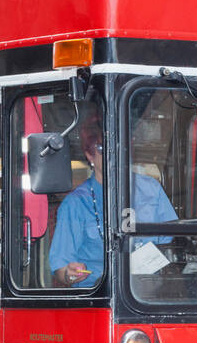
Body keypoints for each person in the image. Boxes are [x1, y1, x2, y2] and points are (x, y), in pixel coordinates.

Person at [50, 116, 176, 288]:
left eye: (118, 146)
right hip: (98, 296)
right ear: (89, 155)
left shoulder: (152, 190)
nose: (112, 153)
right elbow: (61, 269)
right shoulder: (75, 204)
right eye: (102, 148)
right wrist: (70, 275)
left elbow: (172, 244)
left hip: (149, 295)